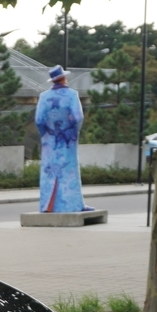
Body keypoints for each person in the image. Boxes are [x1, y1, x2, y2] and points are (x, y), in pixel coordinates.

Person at [35, 65, 92, 213]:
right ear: (64, 78)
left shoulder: (43, 97)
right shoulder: (72, 95)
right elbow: (78, 117)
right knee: (69, 170)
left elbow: (39, 120)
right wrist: (73, 131)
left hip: (49, 140)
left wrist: (45, 135)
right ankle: (73, 204)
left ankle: (48, 205)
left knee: (49, 170)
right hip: (67, 139)